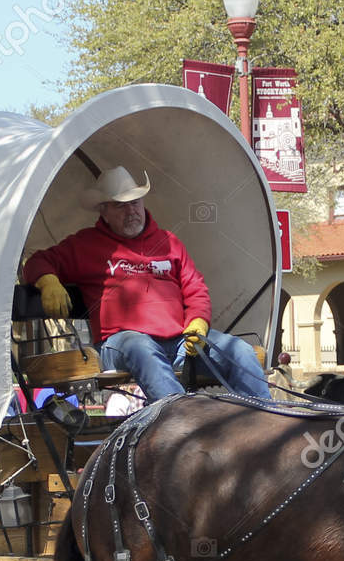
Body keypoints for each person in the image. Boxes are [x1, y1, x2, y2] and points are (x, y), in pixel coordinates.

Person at [21, 166, 270, 402]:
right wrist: (48, 281)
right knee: (141, 346)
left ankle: (265, 423)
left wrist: (198, 321)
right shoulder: (85, 245)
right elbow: (37, 261)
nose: (131, 211)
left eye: (135, 202)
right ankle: (183, 424)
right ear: (103, 211)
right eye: (120, 206)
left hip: (180, 342)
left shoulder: (169, 242)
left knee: (240, 351)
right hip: (119, 344)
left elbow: (196, 289)